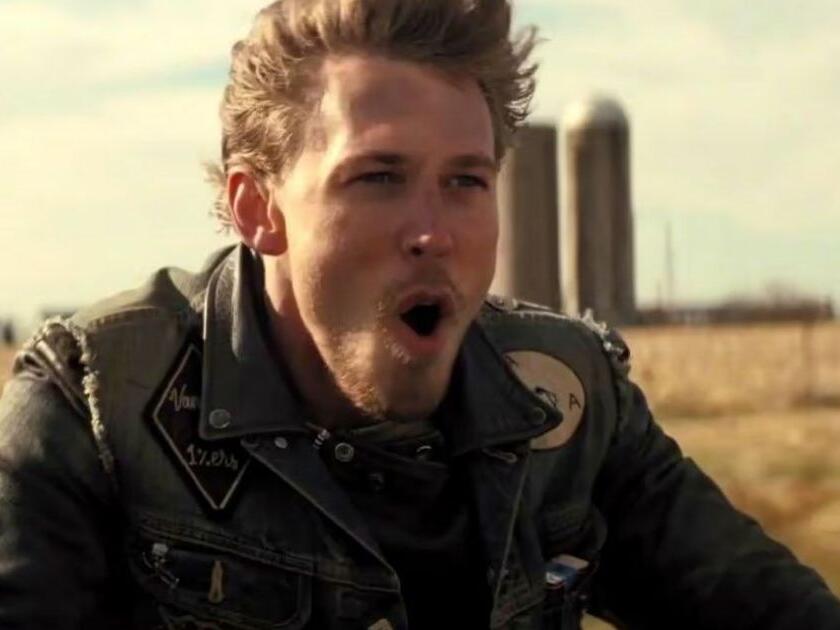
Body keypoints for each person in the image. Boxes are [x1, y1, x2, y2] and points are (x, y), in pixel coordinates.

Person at [1, 1, 838, 628]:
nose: (434, 233)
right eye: (378, 178)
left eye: (466, 180)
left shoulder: (567, 399)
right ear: (258, 209)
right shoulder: (97, 408)